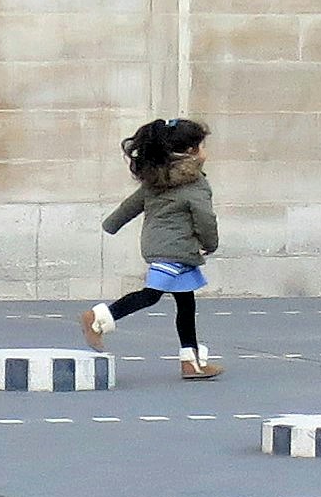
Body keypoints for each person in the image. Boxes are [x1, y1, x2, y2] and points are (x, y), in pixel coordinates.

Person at [86, 117, 221, 380]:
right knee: (151, 295)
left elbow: (132, 204)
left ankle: (191, 361)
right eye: (202, 146)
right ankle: (98, 318)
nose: (205, 151)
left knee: (186, 304)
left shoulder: (156, 178)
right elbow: (205, 218)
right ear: (191, 151)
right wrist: (210, 244)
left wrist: (111, 224)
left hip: (161, 246)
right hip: (175, 250)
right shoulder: (195, 184)